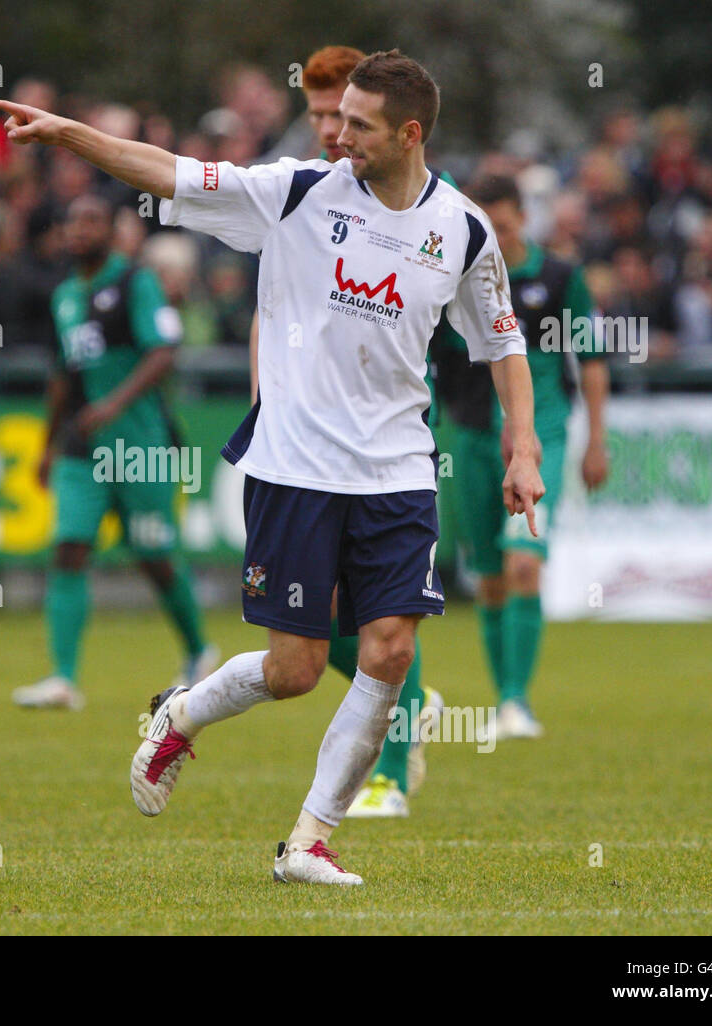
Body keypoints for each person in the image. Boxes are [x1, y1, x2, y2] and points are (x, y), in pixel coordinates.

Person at [0, 47, 544, 885]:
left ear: (410, 134)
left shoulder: (461, 228)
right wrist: (69, 135)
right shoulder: (297, 192)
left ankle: (310, 841)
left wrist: (523, 443)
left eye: (358, 124)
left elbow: (503, 341)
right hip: (297, 467)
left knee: (389, 651)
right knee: (297, 671)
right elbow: (169, 171)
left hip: (398, 470)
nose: (337, 133)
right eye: (337, 117)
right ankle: (181, 715)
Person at [250, 44, 452, 820]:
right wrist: (263, 389)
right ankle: (413, 706)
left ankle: (391, 768)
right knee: (315, 618)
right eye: (317, 116)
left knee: (387, 608)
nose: (330, 131)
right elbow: (277, 301)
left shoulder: (424, 211)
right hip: (296, 417)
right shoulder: (307, 192)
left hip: (378, 435)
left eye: (341, 117)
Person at [11, 192, 218, 711]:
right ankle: (63, 677)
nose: (80, 229)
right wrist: (47, 444)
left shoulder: (135, 282)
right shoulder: (64, 295)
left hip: (139, 445)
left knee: (154, 556)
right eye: (73, 221)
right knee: (69, 547)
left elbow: (164, 352)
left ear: (111, 230)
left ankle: (198, 649)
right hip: (82, 448)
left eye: (92, 220)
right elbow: (64, 375)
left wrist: (111, 404)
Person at [432, 174, 609, 739]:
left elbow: (594, 356)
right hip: (470, 437)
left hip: (542, 436)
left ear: (520, 219)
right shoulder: (446, 279)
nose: (493, 234)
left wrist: (597, 440)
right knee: (488, 577)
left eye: (502, 224)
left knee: (524, 561)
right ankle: (504, 697)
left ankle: (516, 700)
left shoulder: (559, 278)